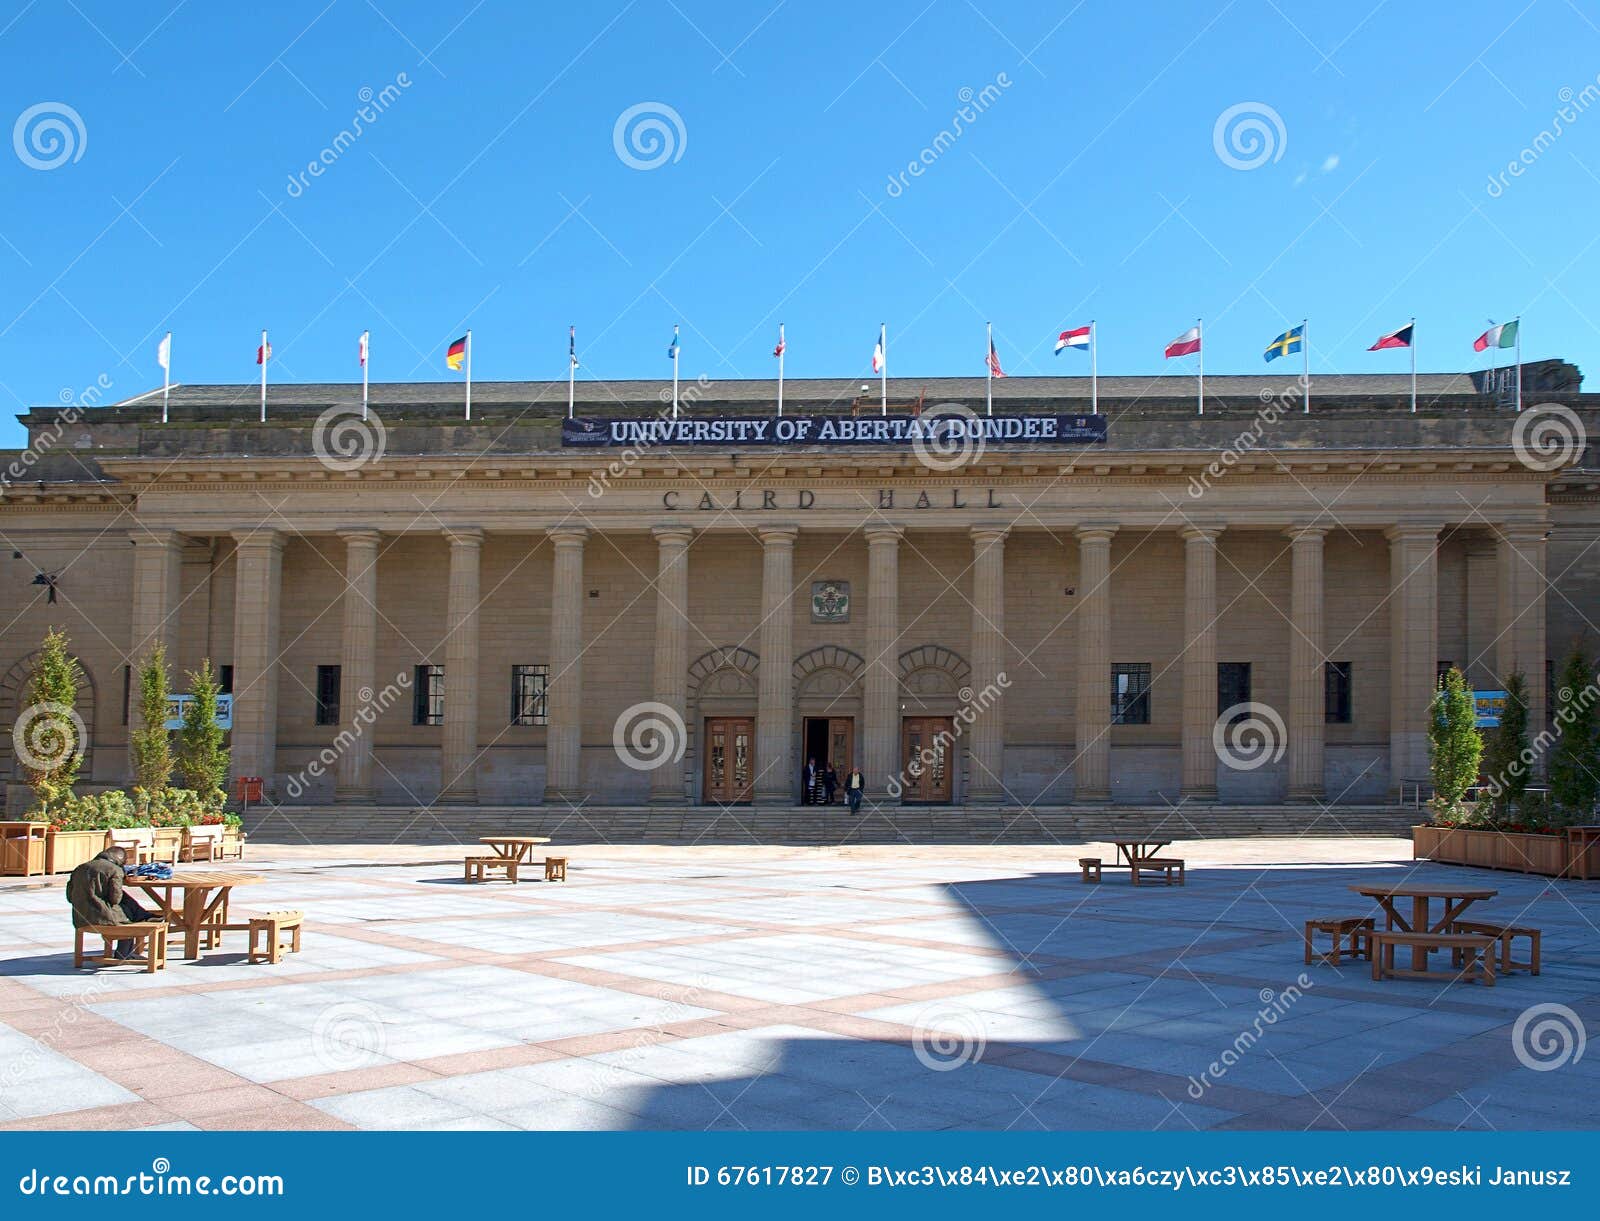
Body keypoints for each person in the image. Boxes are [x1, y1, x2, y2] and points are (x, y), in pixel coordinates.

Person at [66, 847, 154, 960]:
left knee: (129, 907)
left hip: (80, 918)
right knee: (129, 916)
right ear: (120, 859)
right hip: (103, 918)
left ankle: (145, 916)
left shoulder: (80, 868)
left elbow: (70, 897)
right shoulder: (114, 870)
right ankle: (123, 953)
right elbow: (115, 899)